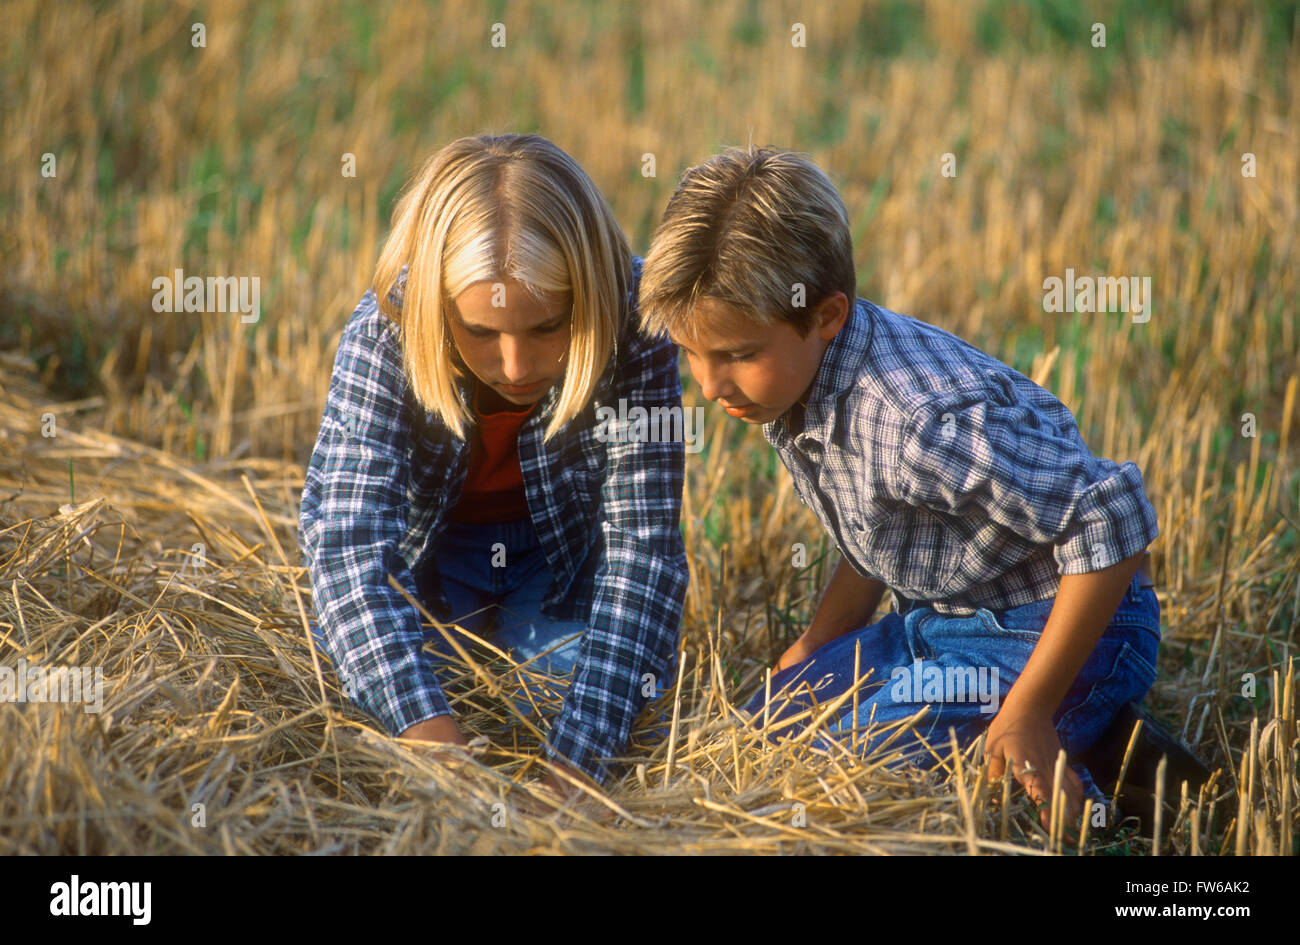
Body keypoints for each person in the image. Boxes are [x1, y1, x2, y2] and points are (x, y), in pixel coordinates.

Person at [638, 144, 1164, 827]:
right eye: (692, 352)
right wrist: (813, 646)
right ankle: (1073, 725)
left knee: (841, 769)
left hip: (1052, 622)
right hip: (944, 621)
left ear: (826, 315)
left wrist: (1027, 708)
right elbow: (875, 529)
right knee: (760, 733)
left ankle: (1110, 779)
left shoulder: (914, 421)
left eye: (738, 355)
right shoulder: (798, 379)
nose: (710, 386)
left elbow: (1110, 513)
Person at [299, 134, 688, 797]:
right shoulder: (384, 330)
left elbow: (642, 555)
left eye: (547, 328)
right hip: (432, 558)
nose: (515, 367)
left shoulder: (637, 323)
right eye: (481, 332)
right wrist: (434, 745)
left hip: (557, 560)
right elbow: (348, 547)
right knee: (404, 682)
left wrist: (573, 774)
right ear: (435, 305)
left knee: (562, 694)